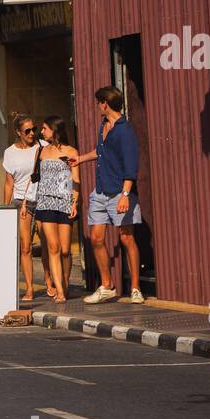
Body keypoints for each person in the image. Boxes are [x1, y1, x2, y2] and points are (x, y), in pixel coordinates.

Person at [69, 86, 144, 304]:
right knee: (96, 238)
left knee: (126, 238)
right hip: (100, 192)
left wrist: (124, 195)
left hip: (120, 192)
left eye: (98, 102)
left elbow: (131, 166)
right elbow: (100, 152)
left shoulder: (125, 130)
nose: (97, 106)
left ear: (105, 103)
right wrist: (81, 159)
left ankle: (136, 288)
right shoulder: (104, 125)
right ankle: (107, 285)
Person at [25, 116, 80, 303]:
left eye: (45, 128)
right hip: (45, 202)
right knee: (53, 247)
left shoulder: (71, 151)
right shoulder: (40, 151)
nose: (41, 132)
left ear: (55, 130)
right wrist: (26, 201)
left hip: (64, 202)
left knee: (65, 250)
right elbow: (34, 177)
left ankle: (64, 283)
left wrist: (75, 203)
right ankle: (60, 292)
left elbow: (76, 181)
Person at [2, 113, 43, 300]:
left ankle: (51, 282)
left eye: (34, 129)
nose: (32, 133)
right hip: (21, 203)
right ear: (18, 132)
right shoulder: (10, 152)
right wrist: (5, 208)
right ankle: (29, 288)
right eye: (27, 130)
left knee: (50, 246)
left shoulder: (43, 147)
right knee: (25, 247)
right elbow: (8, 183)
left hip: (42, 201)